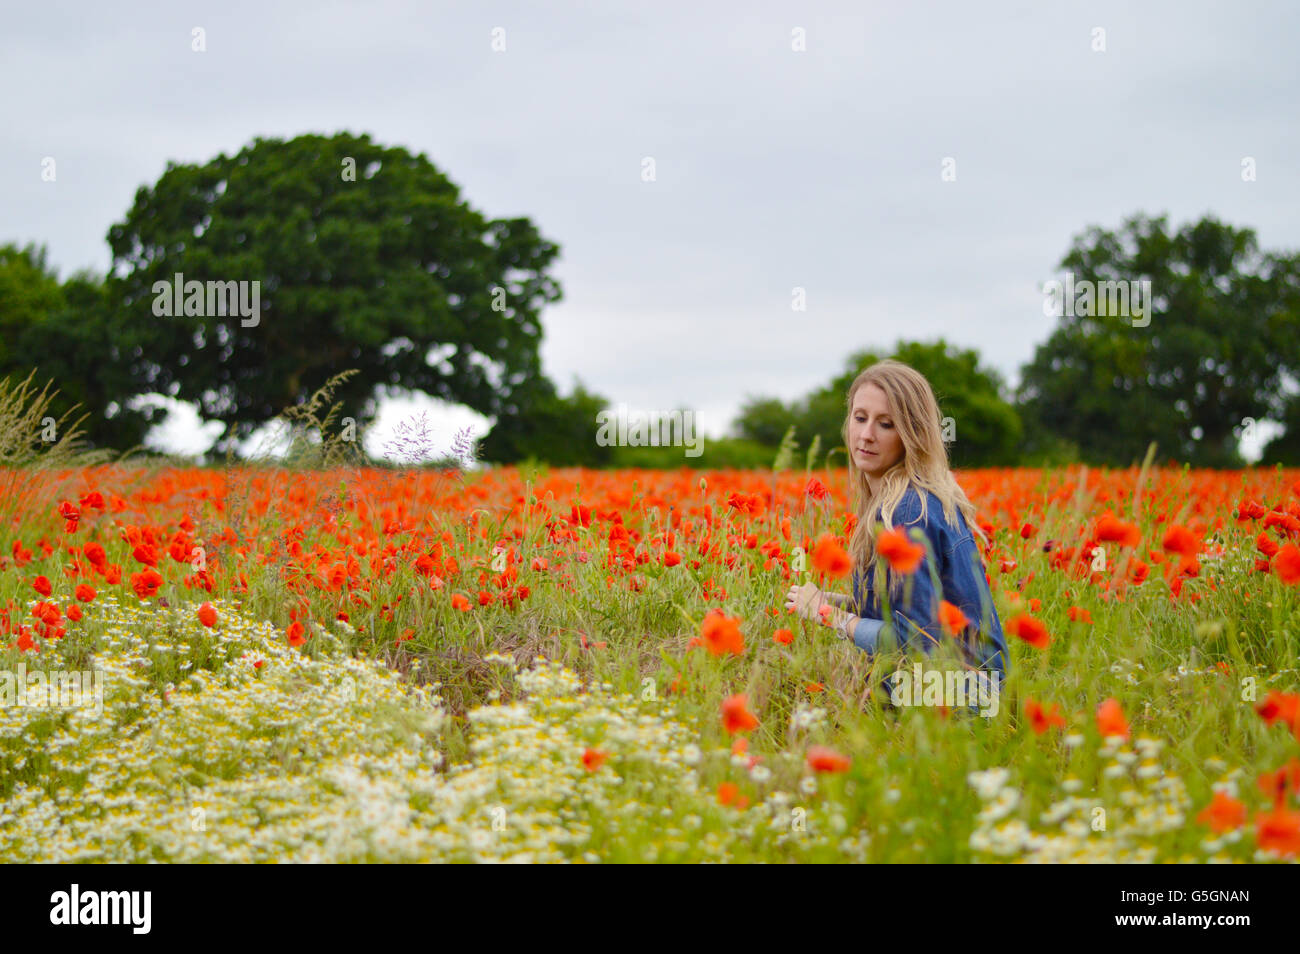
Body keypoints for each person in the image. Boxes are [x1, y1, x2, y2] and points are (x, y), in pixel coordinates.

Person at [782, 359, 1007, 709]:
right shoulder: (900, 499)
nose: (867, 434)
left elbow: (915, 642)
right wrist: (828, 601)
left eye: (886, 424)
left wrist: (830, 617)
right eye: (860, 418)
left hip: (965, 695)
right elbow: (905, 610)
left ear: (911, 434)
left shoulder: (907, 512)